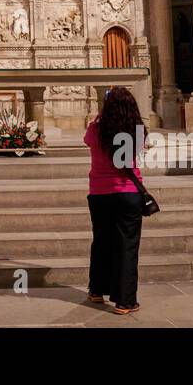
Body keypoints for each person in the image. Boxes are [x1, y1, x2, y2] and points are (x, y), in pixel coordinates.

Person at [84, 86, 146, 314]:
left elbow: (87, 141)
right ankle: (125, 301)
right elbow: (138, 152)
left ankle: (97, 290)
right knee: (127, 246)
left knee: (101, 242)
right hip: (128, 192)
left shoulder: (95, 129)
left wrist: (100, 117)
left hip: (99, 193)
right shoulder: (137, 130)